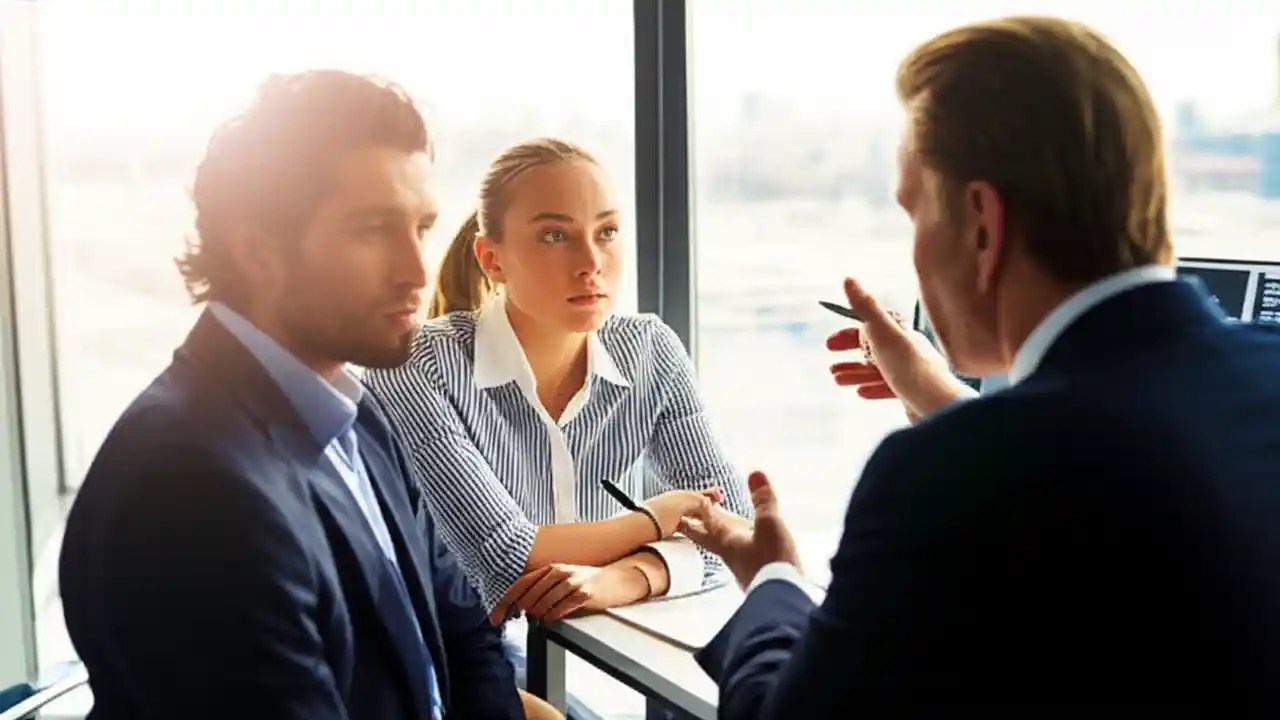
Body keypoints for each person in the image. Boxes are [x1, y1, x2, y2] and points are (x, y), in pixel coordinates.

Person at [681, 16, 1280, 716]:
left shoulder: (938, 477)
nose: (913, 250)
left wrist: (773, 579)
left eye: (913, 212)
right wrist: (943, 400)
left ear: (982, 225)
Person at [58, 70, 538, 719]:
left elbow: (463, 630)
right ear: (258, 252)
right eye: (372, 229)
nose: (417, 270)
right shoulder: (189, 488)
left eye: (421, 227)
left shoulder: (355, 411)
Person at [362, 138, 752, 712]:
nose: (590, 262)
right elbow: (507, 555)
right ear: (492, 258)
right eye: (554, 235)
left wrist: (626, 579)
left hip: (586, 640)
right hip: (450, 665)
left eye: (608, 232)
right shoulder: (420, 362)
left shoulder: (650, 352)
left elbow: (733, 528)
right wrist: (656, 518)